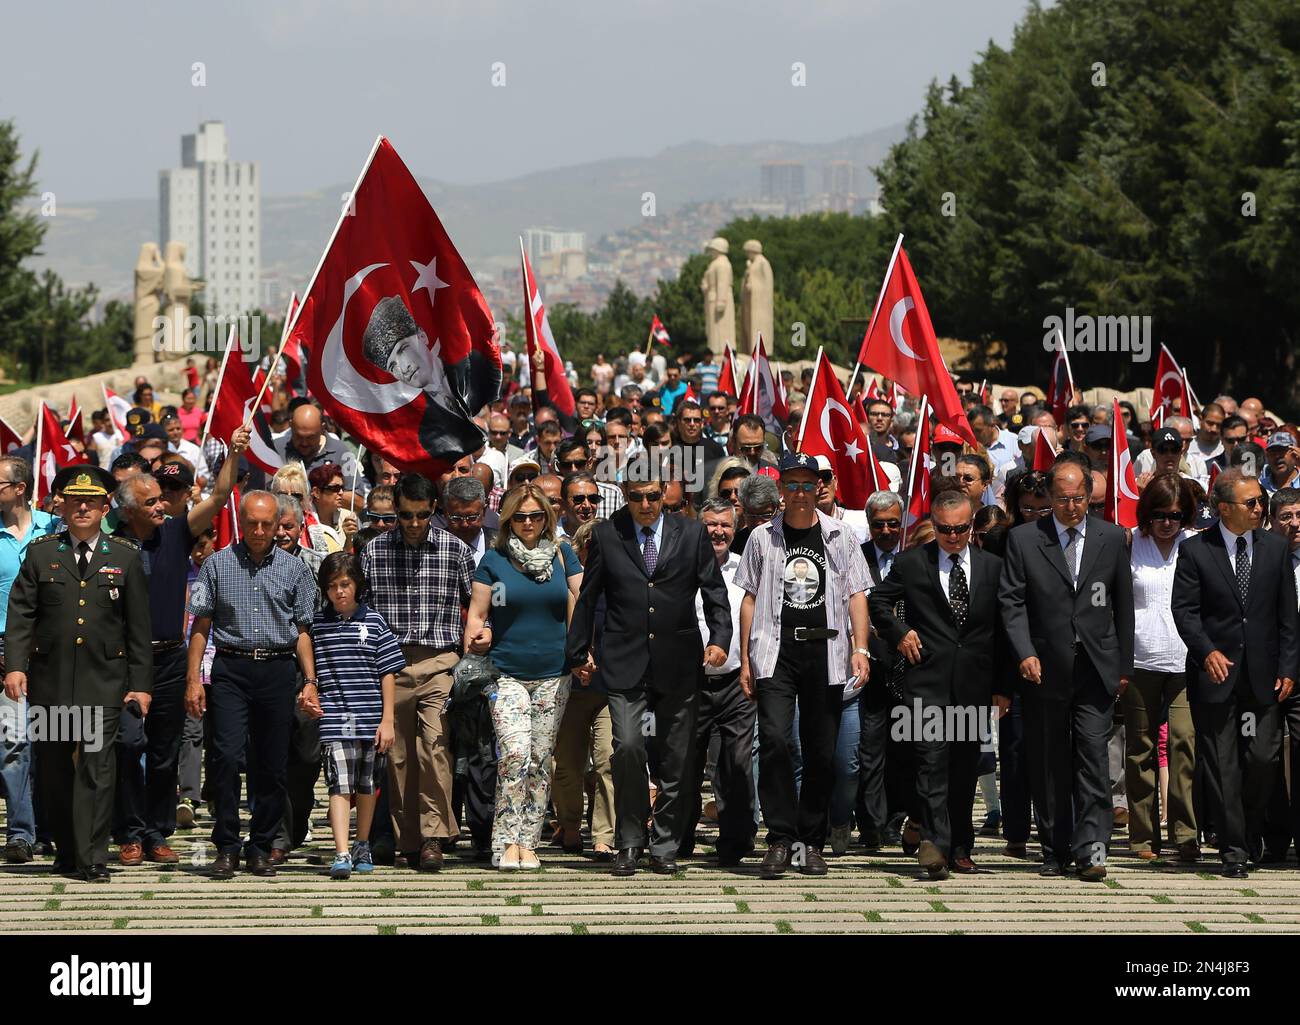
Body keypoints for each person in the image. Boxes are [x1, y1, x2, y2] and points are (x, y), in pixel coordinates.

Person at [566, 471, 730, 876]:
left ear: (666, 495)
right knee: (628, 748)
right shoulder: (607, 534)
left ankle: (665, 845)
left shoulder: (691, 534)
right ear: (625, 495)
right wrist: (578, 649)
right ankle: (630, 840)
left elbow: (714, 591)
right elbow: (588, 597)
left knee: (677, 759)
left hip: (679, 661)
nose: (645, 504)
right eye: (637, 497)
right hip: (624, 660)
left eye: (653, 496)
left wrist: (721, 637)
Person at [4, 466, 153, 882]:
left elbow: (138, 627)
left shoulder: (124, 555)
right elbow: (21, 616)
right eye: (74, 501)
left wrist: (141, 686)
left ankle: (91, 857)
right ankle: (67, 852)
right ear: (62, 507)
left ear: (105, 507)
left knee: (97, 770)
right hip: (51, 682)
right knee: (53, 773)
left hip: (102, 682)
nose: (82, 507)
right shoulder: (41, 552)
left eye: (91, 502)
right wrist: (15, 666)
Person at [110, 425, 248, 867]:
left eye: (161, 499)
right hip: (126, 661)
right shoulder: (111, 544)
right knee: (128, 745)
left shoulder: (177, 532)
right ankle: (127, 832)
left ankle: (155, 834)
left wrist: (234, 452)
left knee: (165, 750)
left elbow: (220, 496)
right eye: (150, 502)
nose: (161, 505)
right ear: (129, 510)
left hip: (170, 655)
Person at [998, 461, 1134, 881]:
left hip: (1095, 666)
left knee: (1094, 757)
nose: (1071, 507)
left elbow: (1123, 607)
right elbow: (1012, 602)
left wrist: (1123, 666)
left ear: (1089, 496)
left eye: (1078, 499)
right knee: (1049, 760)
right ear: (1049, 497)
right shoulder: (1024, 539)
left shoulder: (1111, 537)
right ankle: (1055, 848)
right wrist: (1024, 651)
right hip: (1044, 668)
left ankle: (1093, 848)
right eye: (1062, 499)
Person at [736, 452, 870, 879]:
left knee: (820, 750)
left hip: (826, 653)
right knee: (774, 740)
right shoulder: (762, 538)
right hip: (775, 652)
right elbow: (750, 598)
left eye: (806, 485)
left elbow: (856, 594)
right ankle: (778, 838)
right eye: (791, 484)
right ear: (780, 490)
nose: (798, 493)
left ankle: (810, 841)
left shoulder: (840, 536)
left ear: (819, 489)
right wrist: (744, 659)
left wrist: (860, 647)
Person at [867, 490, 1012, 878]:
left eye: (961, 529)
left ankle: (961, 847)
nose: (953, 536)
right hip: (926, 682)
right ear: (935, 524)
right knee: (930, 764)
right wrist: (899, 632)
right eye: (945, 529)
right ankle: (934, 844)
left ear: (972, 525)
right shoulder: (912, 562)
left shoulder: (993, 567)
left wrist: (1003, 686)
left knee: (964, 770)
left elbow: (1002, 631)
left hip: (972, 685)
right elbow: (877, 603)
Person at [1171, 469, 1299, 879]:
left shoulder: (1275, 549)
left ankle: (1247, 825)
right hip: (1215, 676)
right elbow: (1185, 612)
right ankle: (1234, 850)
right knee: (1222, 765)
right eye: (1252, 503)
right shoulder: (1196, 550)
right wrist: (1206, 651)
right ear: (1223, 508)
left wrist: (1288, 669)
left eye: (1261, 501)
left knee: (1263, 756)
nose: (1260, 509)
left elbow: (1287, 619)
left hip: (1265, 677)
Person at [185, 491, 318, 879]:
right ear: (240, 522)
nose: (259, 531)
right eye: (252, 523)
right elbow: (200, 626)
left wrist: (309, 681)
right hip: (231, 669)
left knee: (272, 764)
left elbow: (303, 632)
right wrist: (193, 680)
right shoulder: (217, 565)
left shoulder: (296, 571)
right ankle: (226, 844)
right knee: (225, 757)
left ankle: (261, 845)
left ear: (279, 524)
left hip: (277, 670)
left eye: (267, 524)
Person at [359, 473, 475, 871]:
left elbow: (474, 605)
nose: (413, 523)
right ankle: (407, 839)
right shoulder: (373, 553)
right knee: (399, 756)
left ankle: (433, 837)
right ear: (395, 509)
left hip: (439, 661)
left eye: (422, 515)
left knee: (435, 748)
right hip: (389, 664)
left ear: (433, 511)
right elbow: (362, 612)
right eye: (406, 515)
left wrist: (480, 635)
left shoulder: (455, 551)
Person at [464, 484, 583, 870]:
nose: (528, 523)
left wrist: (585, 651)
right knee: (514, 753)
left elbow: (580, 607)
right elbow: (477, 616)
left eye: (535, 516)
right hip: (506, 673)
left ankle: (529, 841)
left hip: (554, 673)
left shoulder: (564, 556)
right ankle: (505, 840)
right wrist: (477, 637)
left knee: (540, 759)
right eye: (520, 516)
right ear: (508, 519)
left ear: (546, 518)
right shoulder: (494, 561)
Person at [301, 552, 402, 879]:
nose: (339, 592)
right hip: (335, 718)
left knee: (367, 786)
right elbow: (308, 662)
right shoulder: (318, 624)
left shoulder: (374, 621)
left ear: (358, 585)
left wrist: (388, 720)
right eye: (332, 586)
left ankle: (362, 843)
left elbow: (388, 671)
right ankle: (341, 850)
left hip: (370, 717)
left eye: (345, 584)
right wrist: (310, 690)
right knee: (338, 785)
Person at [1125, 474, 1200, 863]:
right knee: (1141, 748)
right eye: (1158, 515)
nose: (1166, 522)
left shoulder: (1196, 545)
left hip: (1186, 660)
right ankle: (1143, 836)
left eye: (1174, 514)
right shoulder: (1129, 544)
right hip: (1140, 660)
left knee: (1184, 742)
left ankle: (1186, 833)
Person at [680, 498, 757, 866]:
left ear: (735, 528)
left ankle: (737, 841)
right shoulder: (681, 567)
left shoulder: (746, 570)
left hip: (735, 683)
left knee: (736, 763)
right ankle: (679, 839)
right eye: (710, 525)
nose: (718, 532)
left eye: (725, 525)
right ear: (699, 528)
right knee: (685, 764)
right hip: (690, 682)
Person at [0, 455, 59, 864]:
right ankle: (21, 831)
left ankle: (50, 829)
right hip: (5, 649)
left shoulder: (52, 528)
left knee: (54, 738)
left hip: (52, 646)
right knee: (14, 743)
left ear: (20, 488)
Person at [1263, 487, 1300, 860]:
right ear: (1272, 521)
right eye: (1286, 517)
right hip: (1267, 672)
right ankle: (1272, 839)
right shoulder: (1261, 558)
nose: (1294, 524)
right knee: (1266, 755)